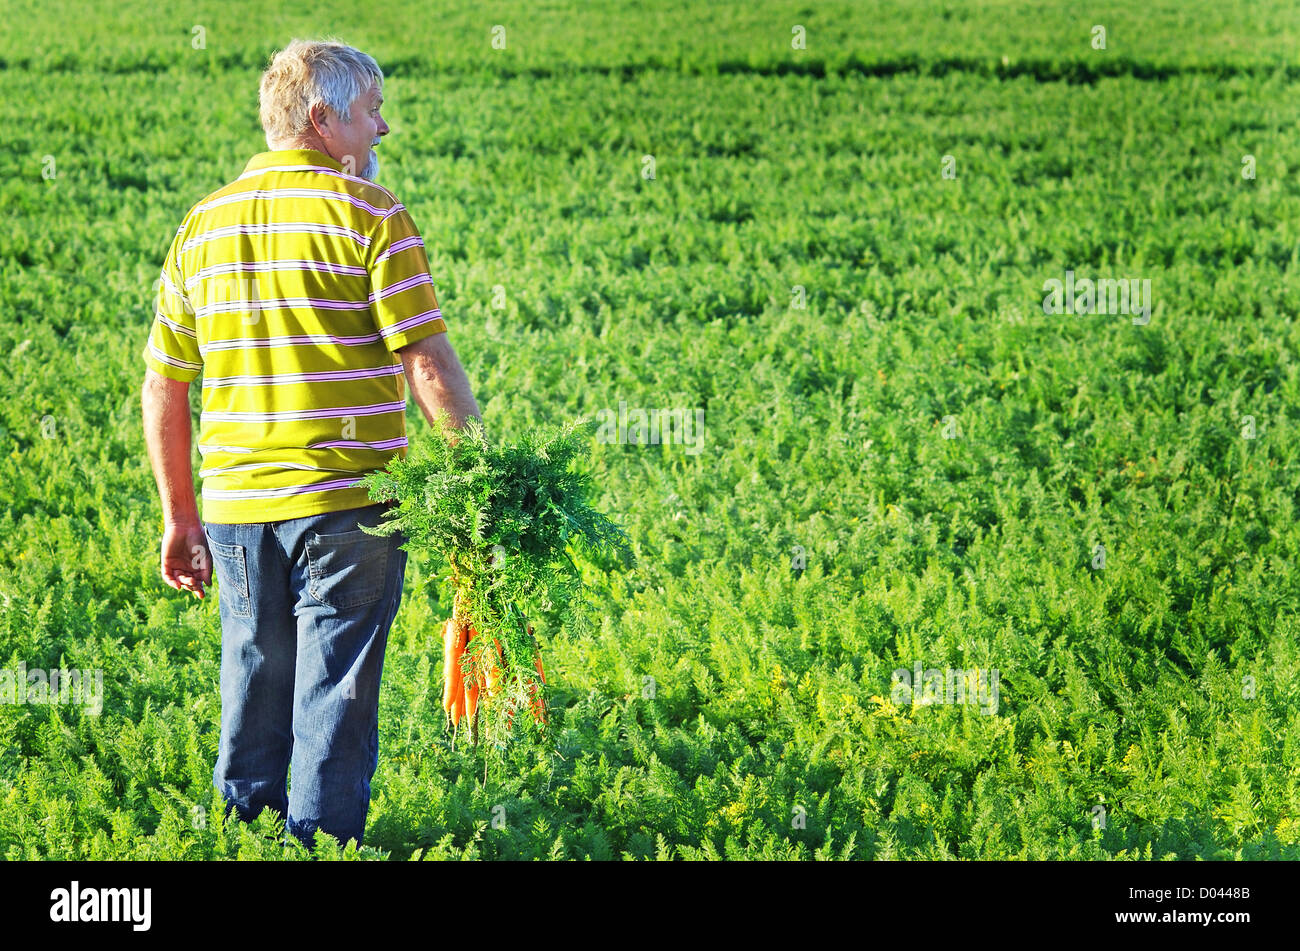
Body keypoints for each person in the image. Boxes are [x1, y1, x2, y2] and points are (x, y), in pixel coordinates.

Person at [139, 38, 481, 849]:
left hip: (234, 511)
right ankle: (320, 847)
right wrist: (478, 481)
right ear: (322, 119)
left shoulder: (203, 223)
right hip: (349, 505)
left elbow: (165, 383)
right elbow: (426, 362)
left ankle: (244, 839)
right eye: (371, 111)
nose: (383, 130)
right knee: (335, 690)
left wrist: (180, 516)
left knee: (254, 676)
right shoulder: (373, 215)